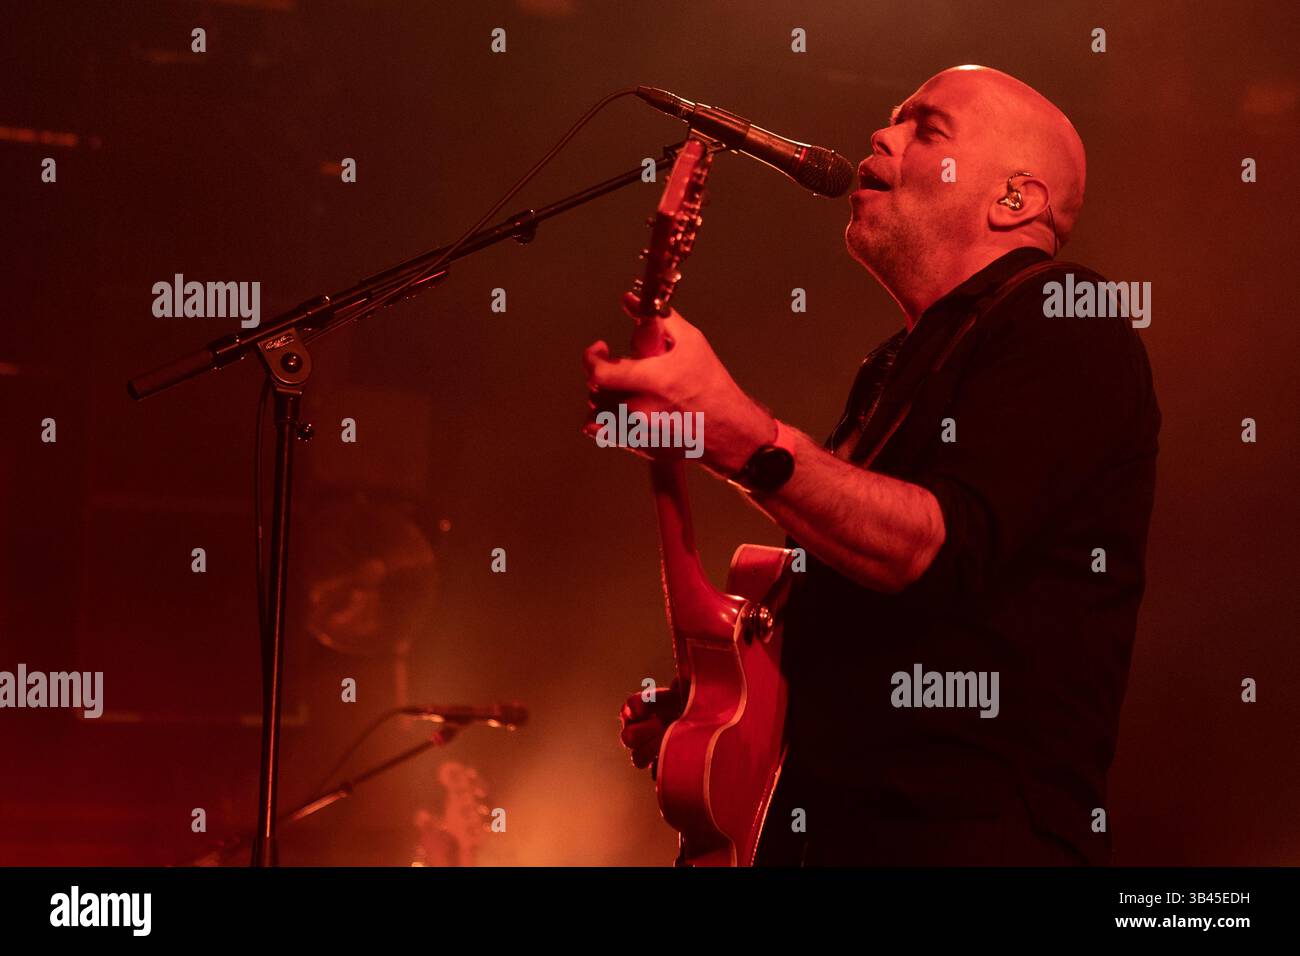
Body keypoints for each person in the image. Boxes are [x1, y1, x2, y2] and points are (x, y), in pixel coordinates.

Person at [588, 65, 1159, 865]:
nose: (882, 136)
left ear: (1014, 199)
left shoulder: (1068, 318)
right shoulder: (897, 364)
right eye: (895, 119)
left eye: (926, 127)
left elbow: (932, 548)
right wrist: (723, 707)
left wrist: (739, 436)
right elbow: (863, 618)